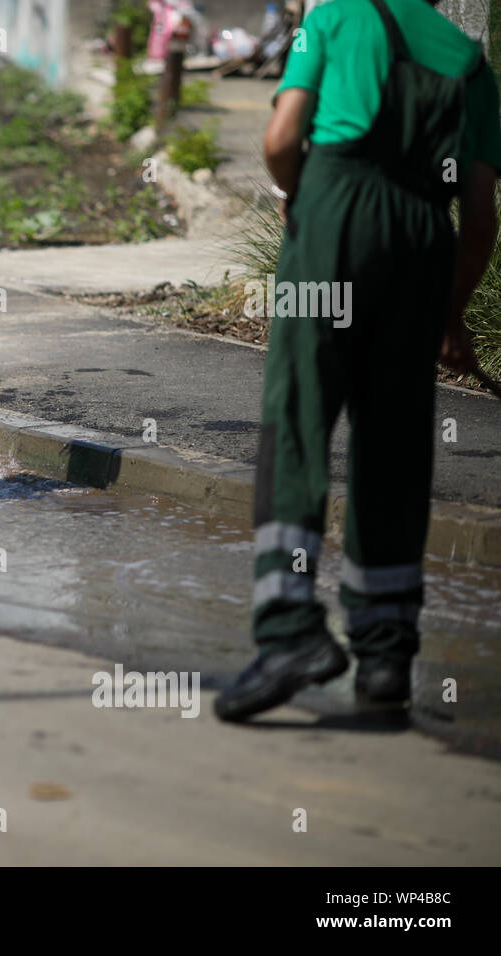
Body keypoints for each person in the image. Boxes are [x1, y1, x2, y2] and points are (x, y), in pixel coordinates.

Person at [215, 0, 501, 721]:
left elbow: (283, 137)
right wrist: (450, 314)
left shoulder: (334, 19)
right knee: (396, 439)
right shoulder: (469, 62)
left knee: (300, 417)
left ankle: (290, 633)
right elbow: (480, 221)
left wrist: (296, 192)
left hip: (337, 217)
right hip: (421, 239)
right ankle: (384, 657)